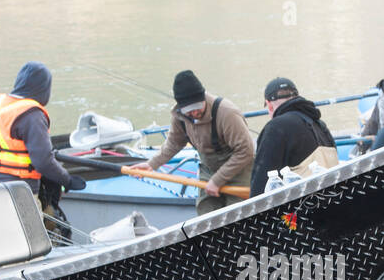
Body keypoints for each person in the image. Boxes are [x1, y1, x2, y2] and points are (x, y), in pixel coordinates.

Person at [0, 61, 85, 227]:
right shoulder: (32, 115)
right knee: (30, 247)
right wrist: (67, 180)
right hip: (20, 195)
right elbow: (43, 161)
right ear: (44, 89)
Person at [132, 70, 254, 215]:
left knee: (238, 214)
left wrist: (218, 180)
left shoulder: (227, 113)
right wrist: (152, 164)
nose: (194, 113)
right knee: (206, 212)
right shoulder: (179, 117)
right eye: (189, 110)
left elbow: (246, 151)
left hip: (238, 170)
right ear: (180, 107)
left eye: (197, 108)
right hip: (209, 169)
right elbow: (174, 143)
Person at [250, 77, 337, 195]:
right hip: (334, 196)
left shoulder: (275, 127)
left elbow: (261, 183)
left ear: (270, 106)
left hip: (305, 205)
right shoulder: (319, 124)